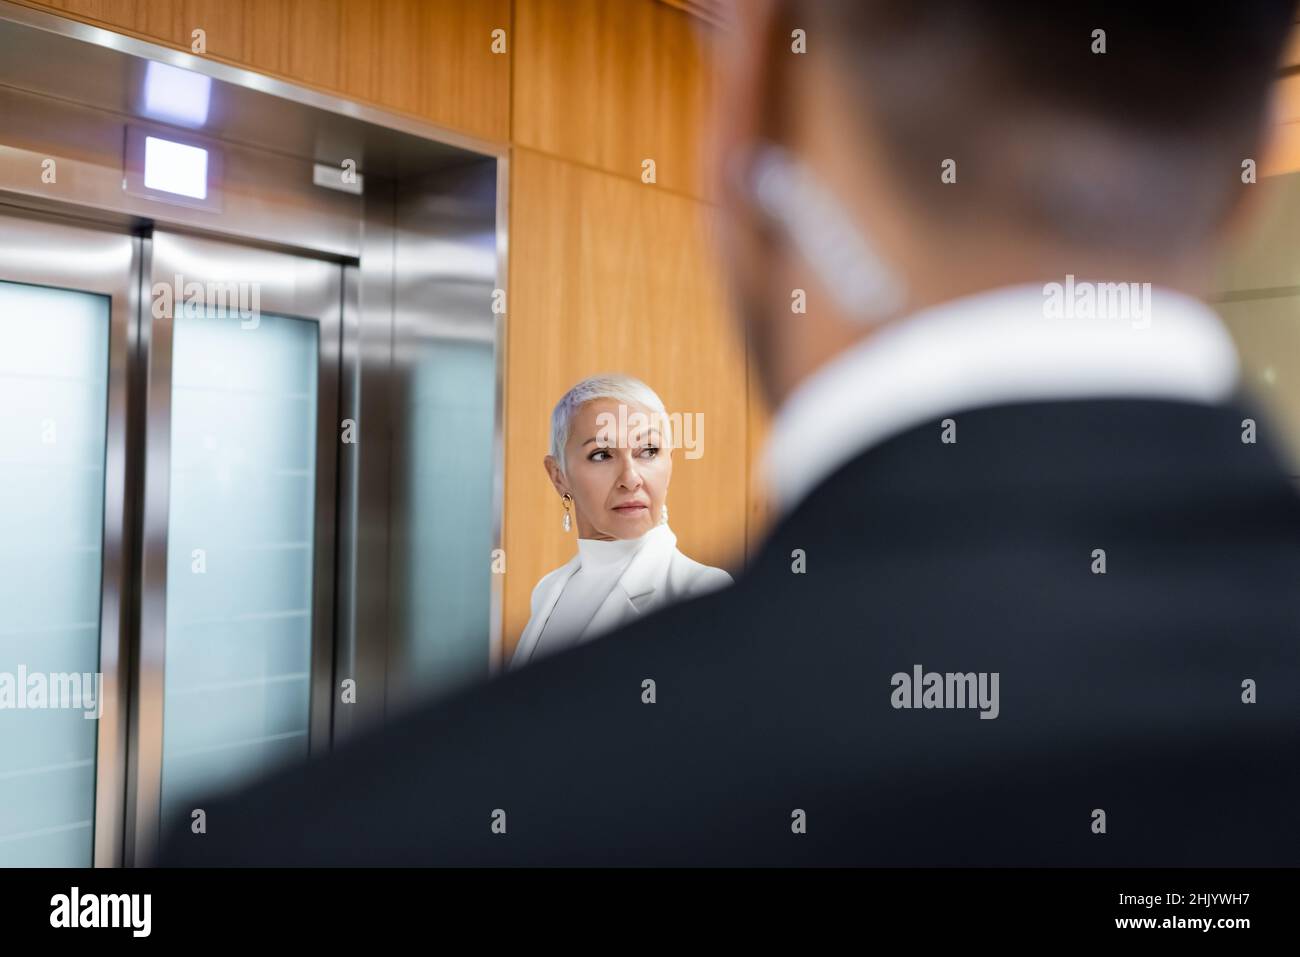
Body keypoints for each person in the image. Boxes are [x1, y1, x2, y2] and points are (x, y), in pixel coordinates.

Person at [161, 0, 1300, 865]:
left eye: (647, 445)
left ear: (750, 89)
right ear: (1250, 156)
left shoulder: (347, 835)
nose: (629, 474)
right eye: (602, 451)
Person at [510, 374, 732, 671]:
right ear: (558, 475)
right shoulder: (547, 592)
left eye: (649, 451)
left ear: (670, 462)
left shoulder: (700, 592)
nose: (630, 478)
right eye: (601, 454)